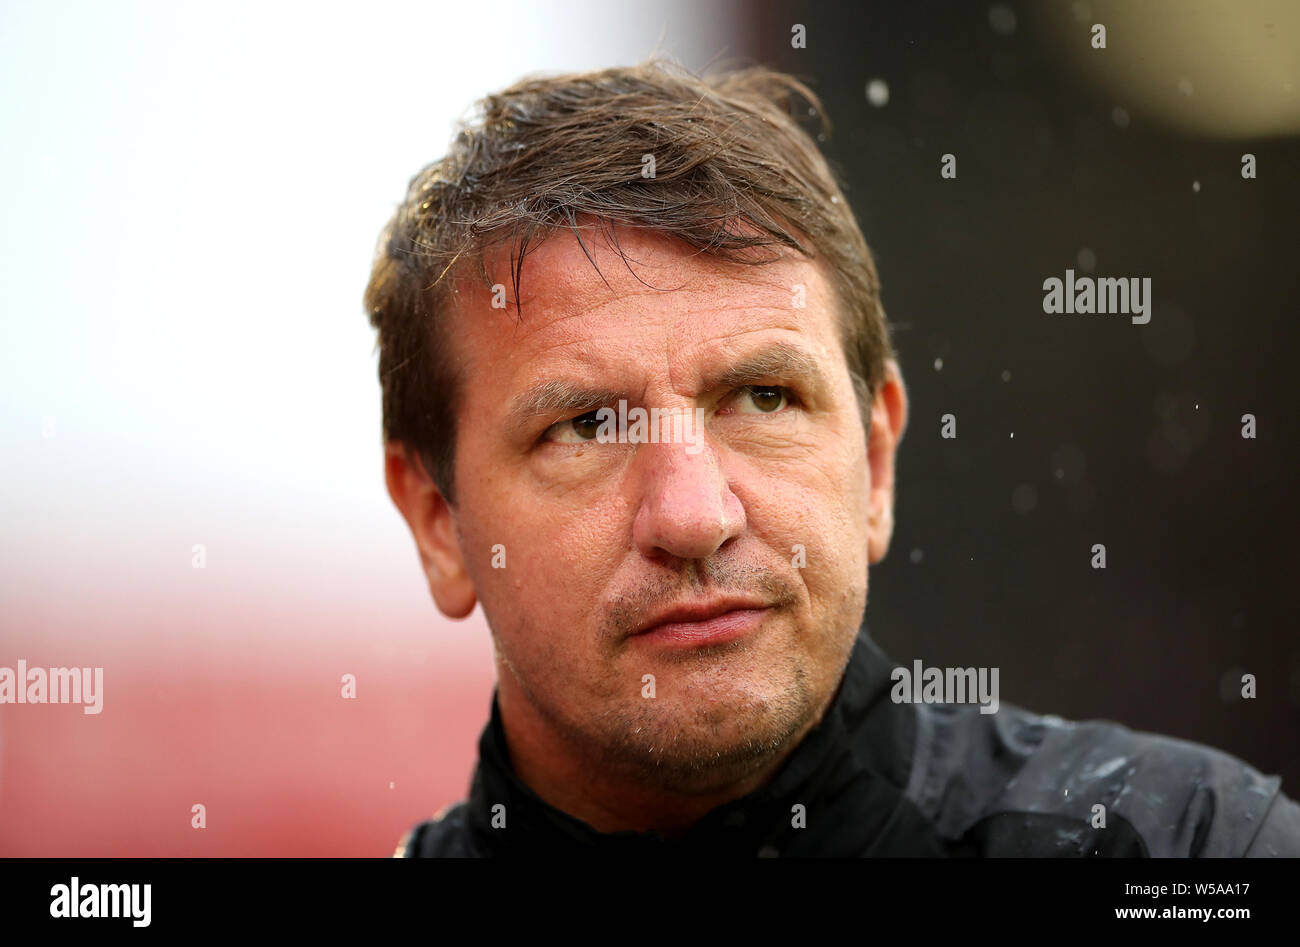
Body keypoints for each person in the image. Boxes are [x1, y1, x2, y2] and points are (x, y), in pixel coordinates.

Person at [363, 59, 1300, 857]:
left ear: (878, 463)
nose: (694, 516)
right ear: (439, 522)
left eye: (764, 398)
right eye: (586, 427)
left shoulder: (1191, 849)